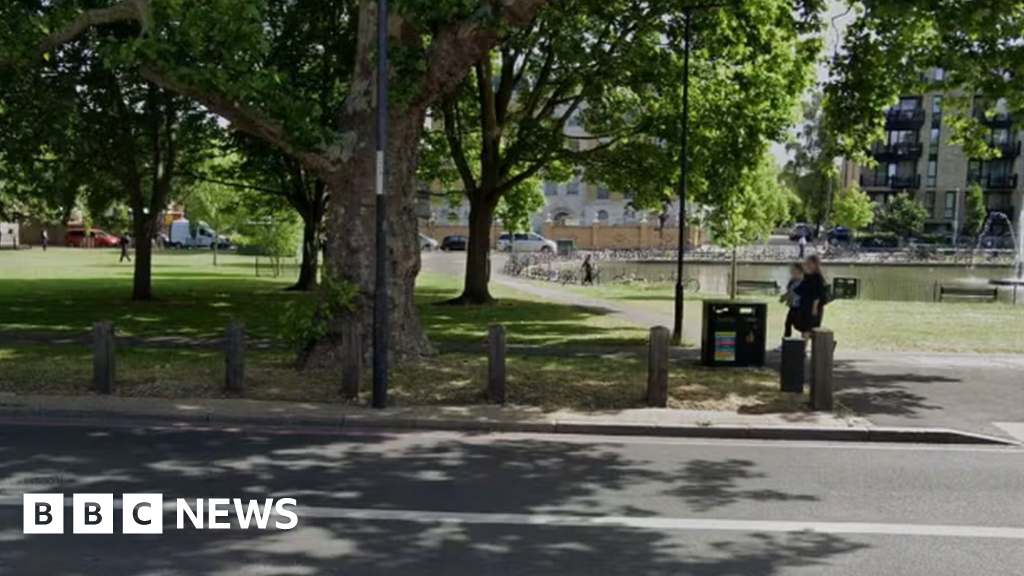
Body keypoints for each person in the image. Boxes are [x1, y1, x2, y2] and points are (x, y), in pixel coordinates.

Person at [794, 254, 826, 338]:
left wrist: (814, 308)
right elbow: (800, 290)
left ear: (815, 264)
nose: (807, 265)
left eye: (809, 263)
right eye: (806, 263)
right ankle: (804, 344)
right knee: (804, 328)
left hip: (812, 307)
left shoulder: (817, 278)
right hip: (805, 306)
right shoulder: (807, 276)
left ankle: (805, 345)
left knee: (809, 329)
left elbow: (817, 294)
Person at [777, 263, 804, 346]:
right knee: (788, 324)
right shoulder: (792, 281)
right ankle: (785, 343)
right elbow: (790, 292)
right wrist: (784, 298)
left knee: (799, 326)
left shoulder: (804, 282)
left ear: (800, 271)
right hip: (793, 306)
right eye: (791, 271)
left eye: (794, 271)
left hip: (800, 308)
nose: (792, 273)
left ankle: (813, 338)